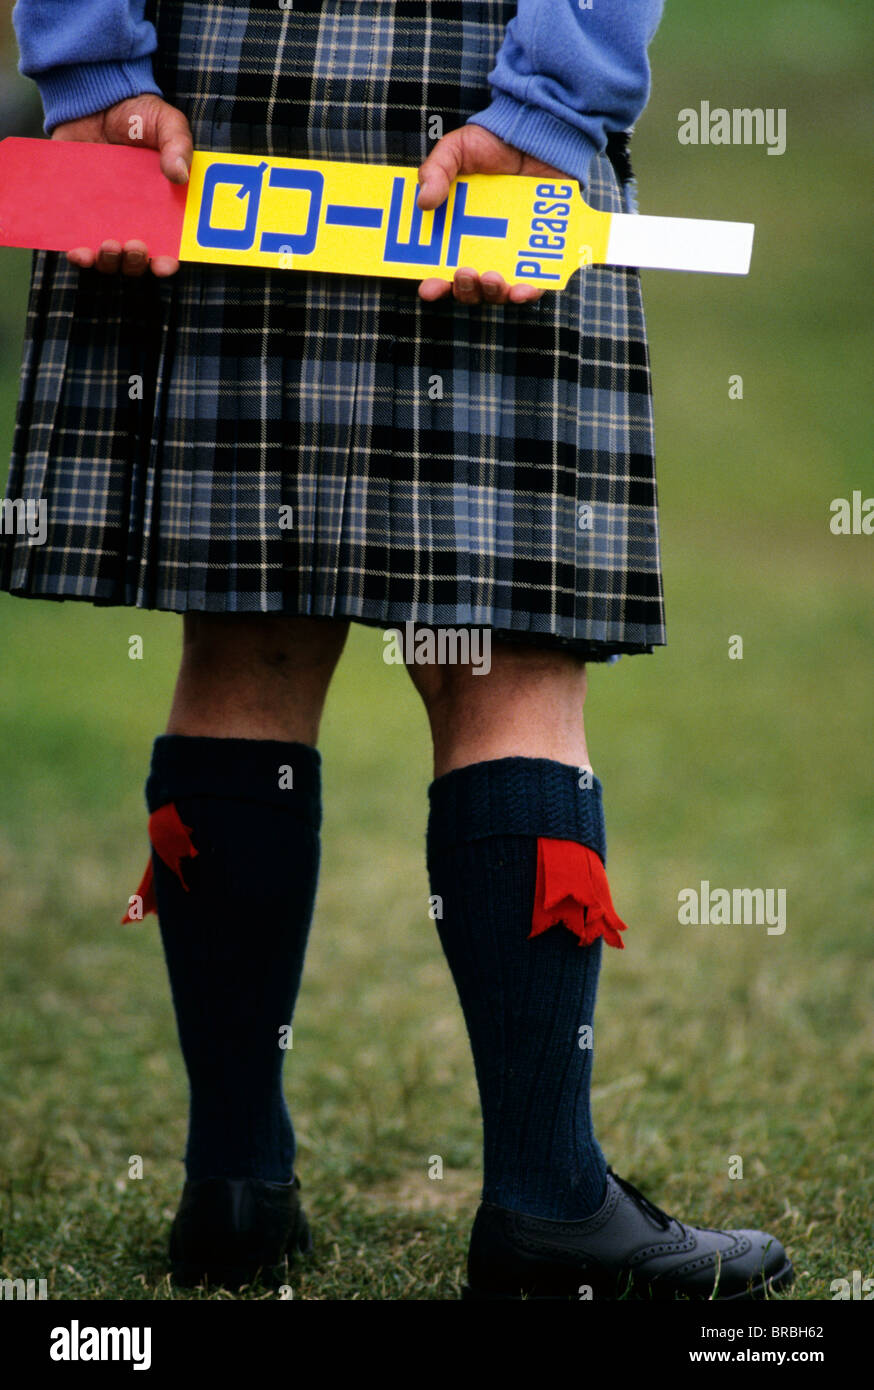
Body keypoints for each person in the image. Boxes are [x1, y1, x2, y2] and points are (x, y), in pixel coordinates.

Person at [3, 0, 792, 1300]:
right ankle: (544, 1203)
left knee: (244, 616)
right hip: (479, 65)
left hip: (215, 72)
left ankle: (235, 1181)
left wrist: (93, 63)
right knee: (506, 650)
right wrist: (550, 105)